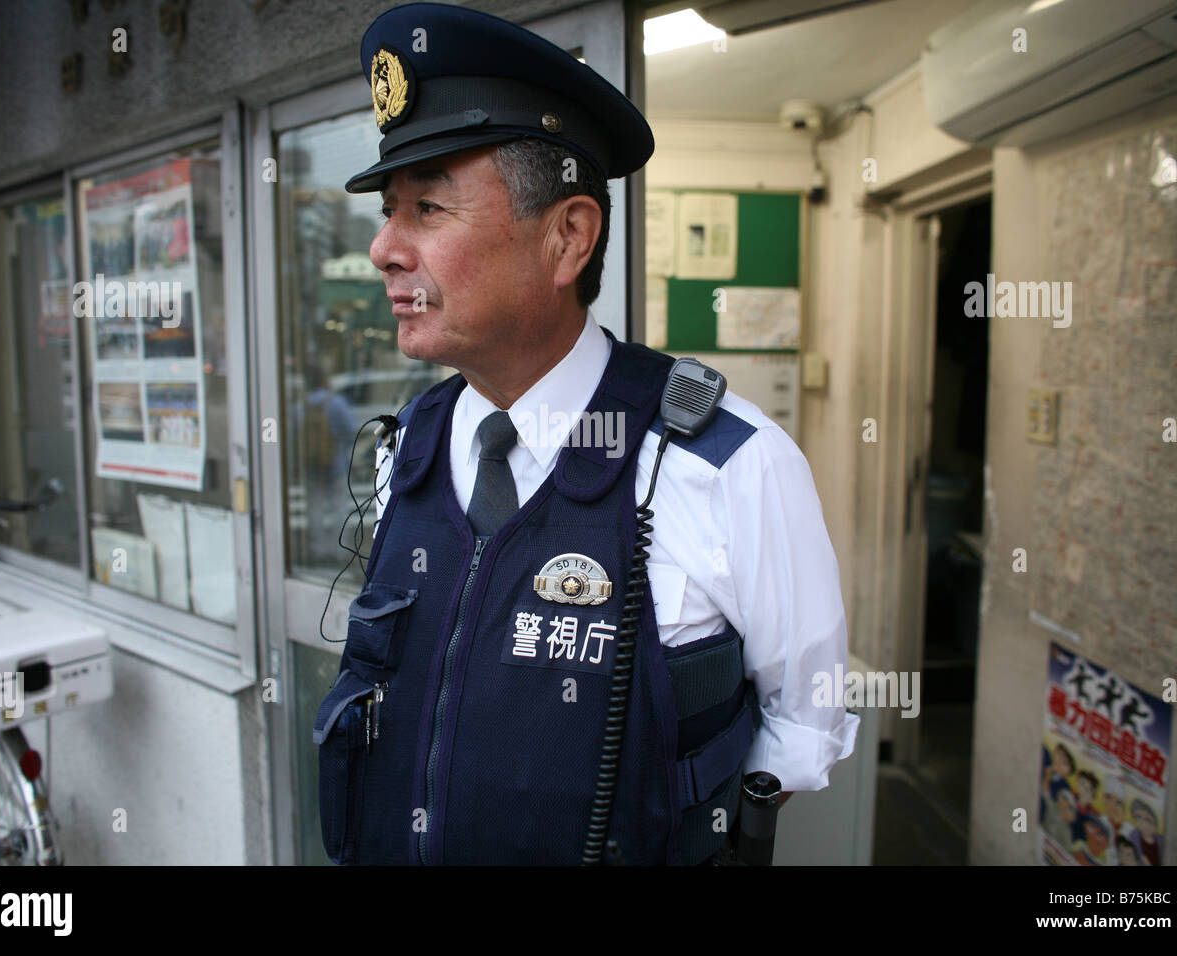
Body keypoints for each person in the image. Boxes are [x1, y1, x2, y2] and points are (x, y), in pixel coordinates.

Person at [315, 0, 857, 865]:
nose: (384, 246)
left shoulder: (721, 461)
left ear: (568, 237)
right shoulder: (407, 448)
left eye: (427, 208)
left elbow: (804, 723)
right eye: (388, 210)